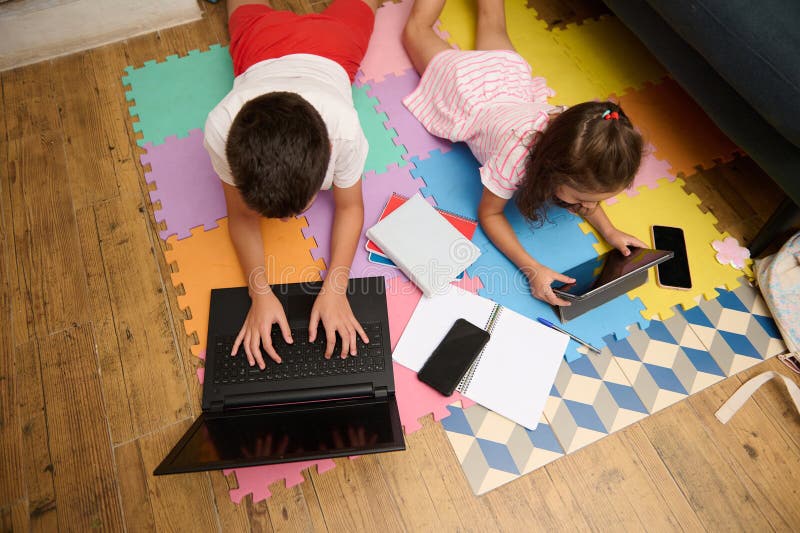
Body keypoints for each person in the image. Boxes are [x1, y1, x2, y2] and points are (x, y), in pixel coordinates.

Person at [401, 0, 647, 307]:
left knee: (492, 19)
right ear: (554, 168)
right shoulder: (514, 157)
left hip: (509, 77)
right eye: (584, 200)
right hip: (464, 86)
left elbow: (588, 181)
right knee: (416, 29)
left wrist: (609, 231)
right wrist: (532, 269)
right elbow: (489, 214)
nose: (589, 208)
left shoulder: (578, 130)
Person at [203, 0, 380, 369]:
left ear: (328, 153)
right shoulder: (221, 129)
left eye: (298, 209)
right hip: (260, 48)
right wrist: (260, 294)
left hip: (334, 48)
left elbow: (351, 207)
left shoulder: (344, 132)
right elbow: (241, 217)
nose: (286, 223)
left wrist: (336, 287)